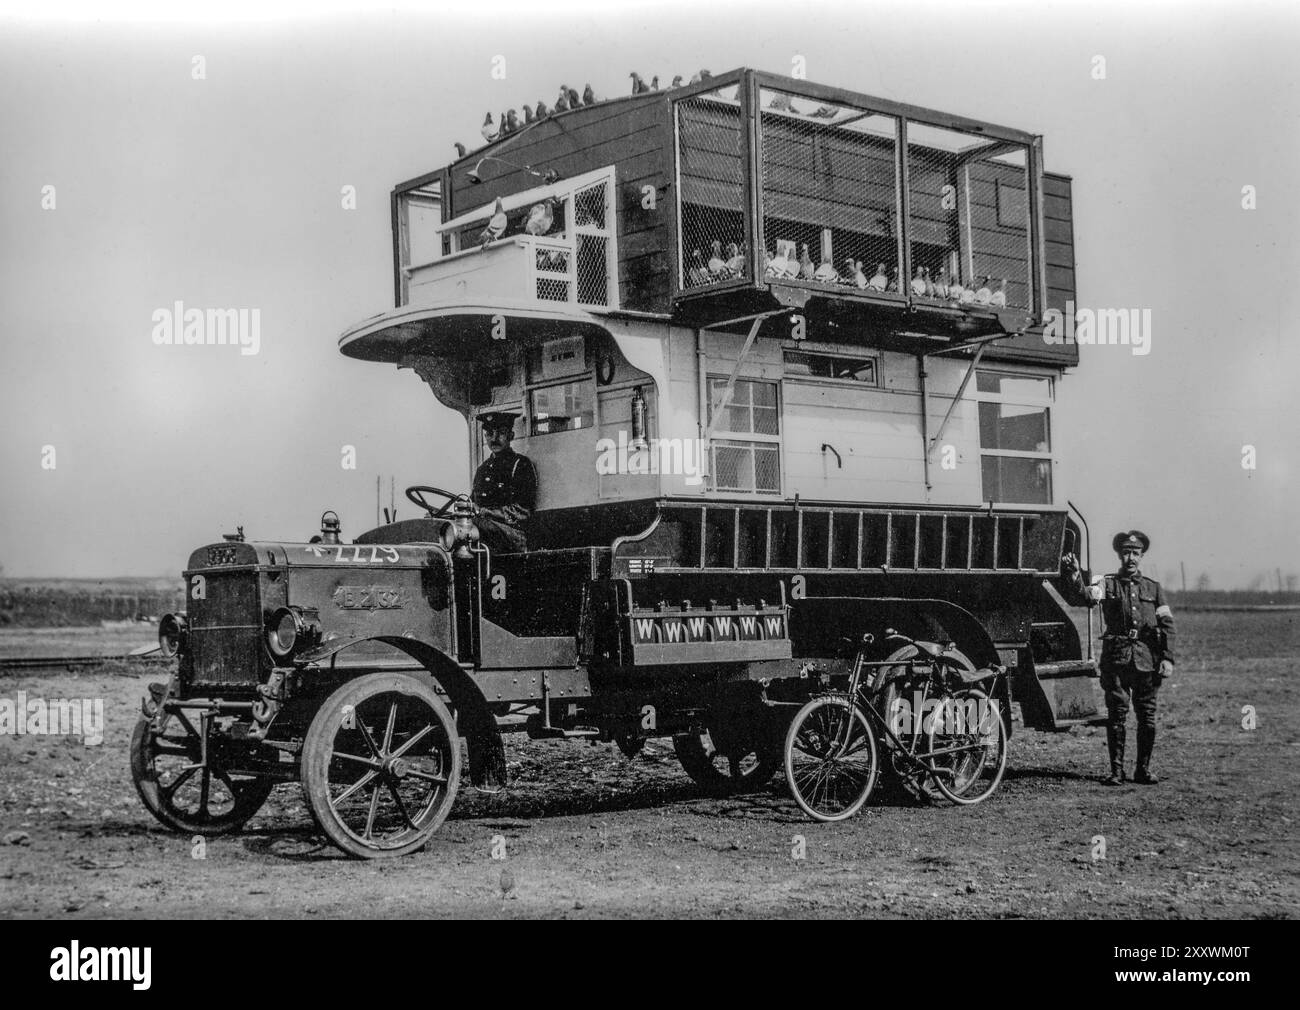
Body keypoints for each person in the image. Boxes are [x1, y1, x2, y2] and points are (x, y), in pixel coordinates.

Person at [1063, 530, 1176, 785]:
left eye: (1135, 553)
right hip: (1116, 660)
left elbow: (1168, 625)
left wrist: (1167, 658)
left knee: (1147, 717)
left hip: (1147, 660)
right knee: (1117, 716)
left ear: (1142, 555)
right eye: (1126, 552)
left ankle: (1143, 770)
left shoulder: (1153, 588)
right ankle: (1116, 772)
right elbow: (1085, 597)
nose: (1131, 558)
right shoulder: (1108, 583)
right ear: (1119, 554)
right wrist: (1074, 575)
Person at [470, 411, 537, 553]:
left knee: (473, 526)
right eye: (489, 433)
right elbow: (473, 503)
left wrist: (485, 513)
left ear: (510, 436)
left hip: (514, 534)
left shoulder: (520, 464)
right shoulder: (482, 469)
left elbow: (523, 511)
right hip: (488, 530)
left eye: (500, 433)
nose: (494, 439)